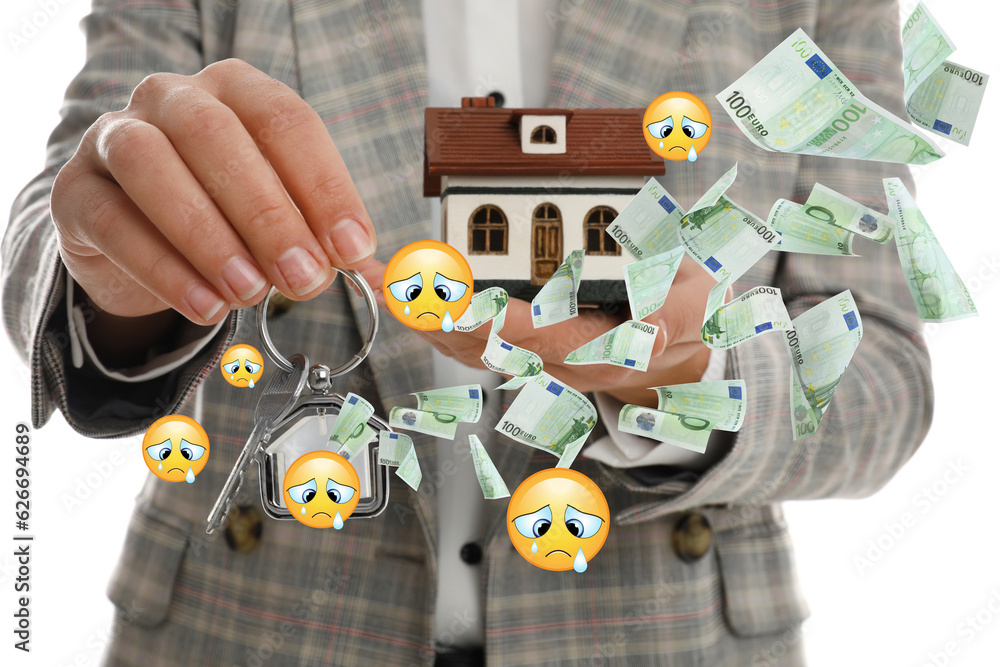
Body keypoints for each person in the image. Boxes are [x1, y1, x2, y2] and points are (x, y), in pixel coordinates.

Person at [2, 0, 932, 665]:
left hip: (662, 630)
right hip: (256, 619)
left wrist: (684, 380)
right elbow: (67, 202)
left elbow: (884, 371)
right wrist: (116, 282)